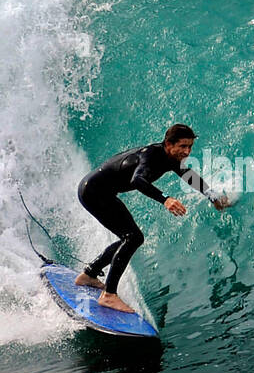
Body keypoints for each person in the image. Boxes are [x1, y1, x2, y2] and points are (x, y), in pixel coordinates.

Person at [76, 124, 230, 312]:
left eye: (190, 147)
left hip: (103, 193)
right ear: (168, 143)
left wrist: (213, 196)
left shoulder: (170, 158)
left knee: (130, 238)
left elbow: (188, 175)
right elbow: (138, 180)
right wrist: (165, 199)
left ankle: (89, 274)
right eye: (183, 146)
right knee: (132, 238)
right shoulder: (151, 156)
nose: (187, 151)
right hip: (93, 192)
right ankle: (108, 295)